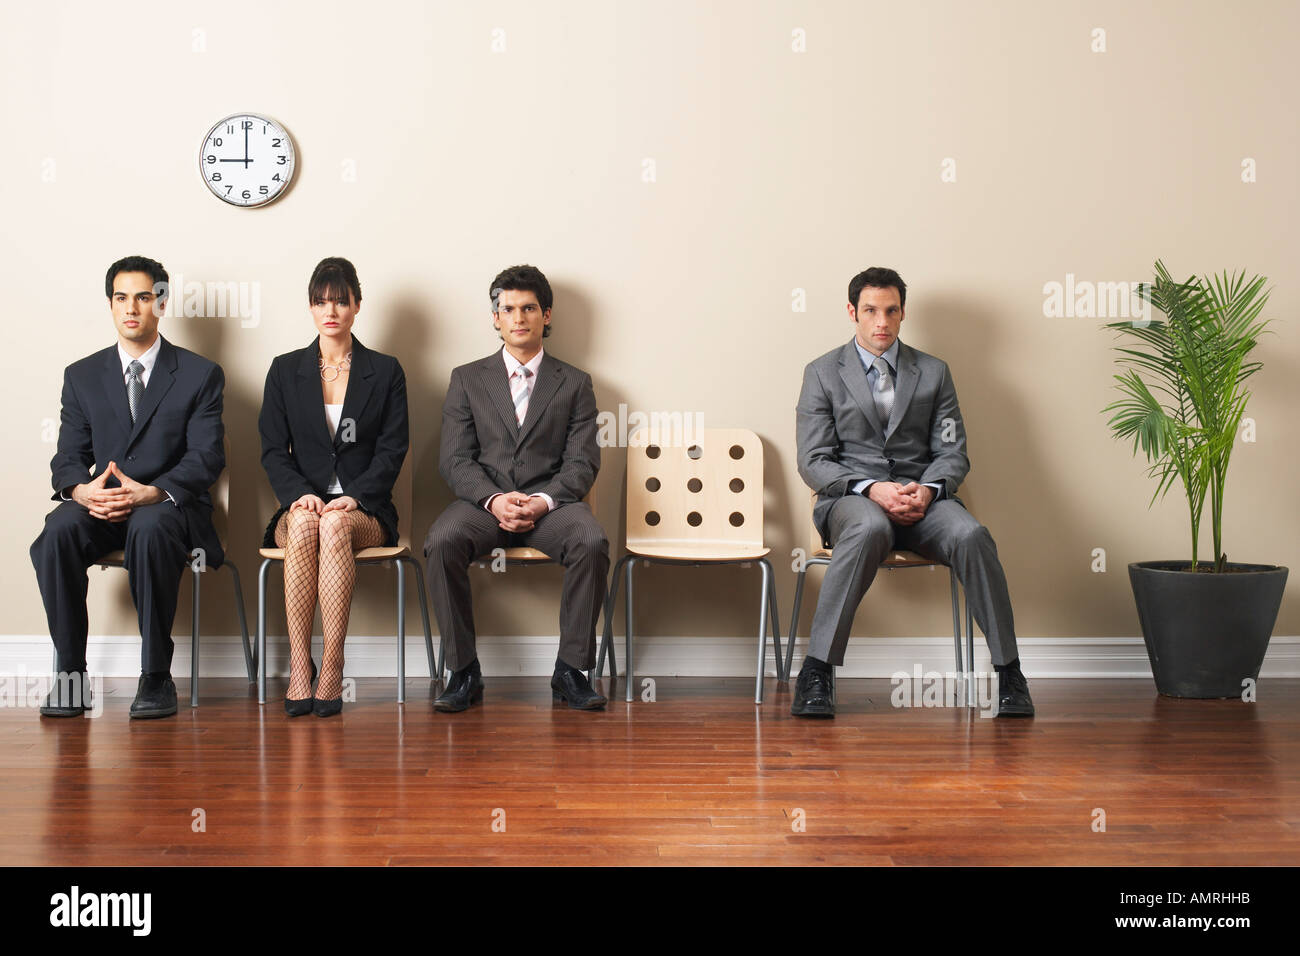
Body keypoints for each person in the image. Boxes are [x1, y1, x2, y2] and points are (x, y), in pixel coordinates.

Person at [793, 266, 1033, 718]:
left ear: (903, 313)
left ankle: (1010, 673)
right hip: (853, 502)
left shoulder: (934, 372)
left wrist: (926, 489)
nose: (881, 321)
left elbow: (953, 452)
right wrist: (871, 489)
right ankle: (816, 671)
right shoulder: (822, 373)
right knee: (867, 527)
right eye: (870, 311)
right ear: (852, 312)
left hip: (925, 501)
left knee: (972, 536)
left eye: (891, 310)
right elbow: (814, 460)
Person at [31, 255, 226, 719]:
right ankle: (71, 677)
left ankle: (156, 676)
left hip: (167, 508)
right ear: (110, 305)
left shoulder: (200, 374)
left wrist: (154, 492)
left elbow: (206, 457)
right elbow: (68, 458)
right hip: (103, 502)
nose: (131, 308)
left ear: (160, 302)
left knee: (151, 527)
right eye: (121, 298)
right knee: (57, 531)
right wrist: (81, 491)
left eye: (143, 296)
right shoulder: (81, 375)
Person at [424, 264, 609, 712]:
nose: (519, 317)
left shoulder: (575, 383)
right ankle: (463, 670)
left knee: (592, 540)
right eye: (508, 309)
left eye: (529, 308)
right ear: (495, 318)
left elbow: (583, 462)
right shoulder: (467, 379)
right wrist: (494, 498)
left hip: (553, 507)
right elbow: (454, 459)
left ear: (546, 315)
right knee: (441, 540)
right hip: (484, 505)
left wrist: (543, 502)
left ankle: (571, 670)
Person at [258, 257, 409, 717]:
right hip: (300, 503)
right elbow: (270, 449)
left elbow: (393, 448)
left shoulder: (385, 371)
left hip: (365, 509)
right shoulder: (285, 371)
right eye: (322, 301)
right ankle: (300, 665)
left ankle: (333, 663)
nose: (331, 310)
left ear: (357, 306)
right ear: (309, 307)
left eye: (341, 301)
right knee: (306, 524)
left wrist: (356, 495)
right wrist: (298, 493)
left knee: (335, 524)